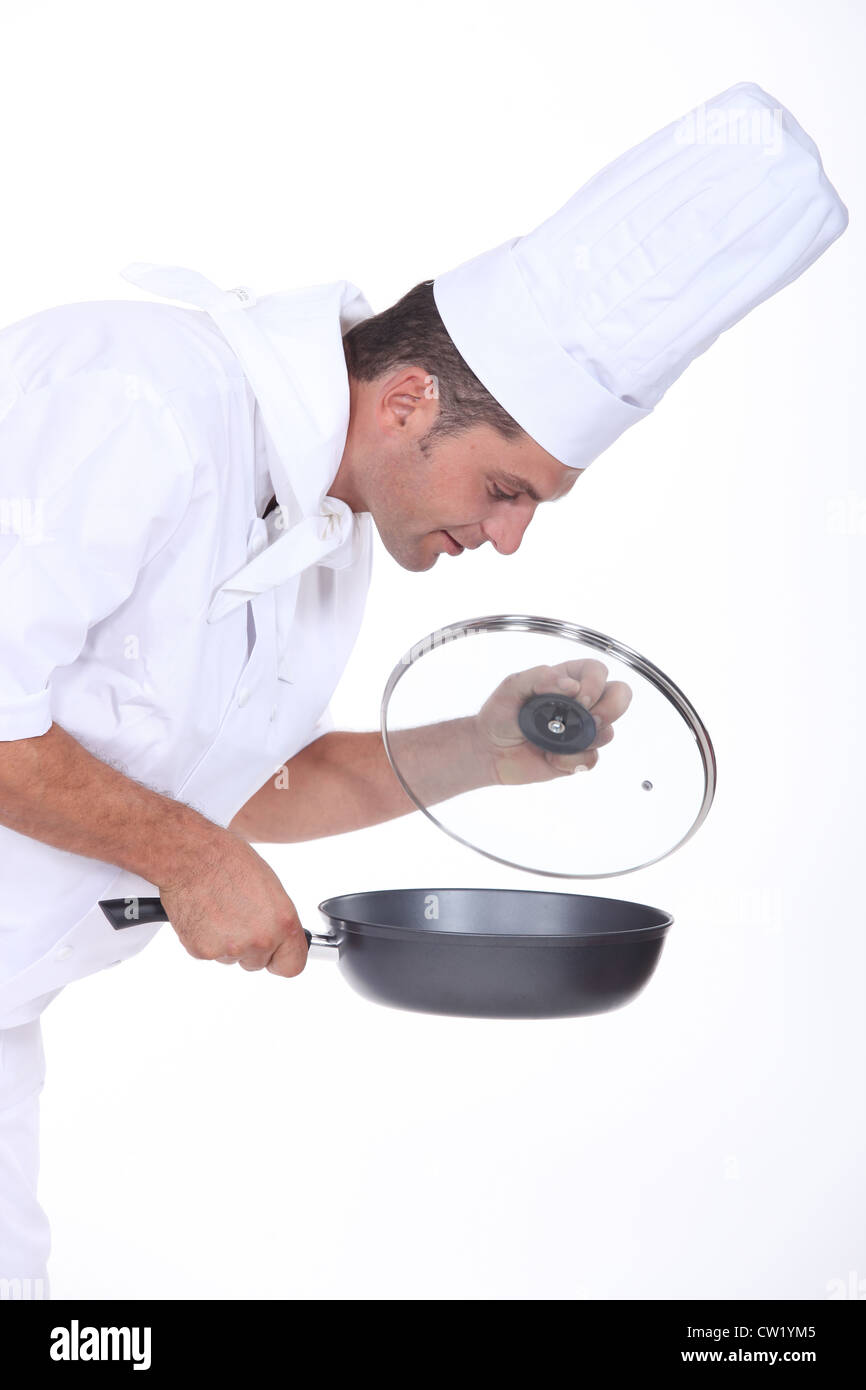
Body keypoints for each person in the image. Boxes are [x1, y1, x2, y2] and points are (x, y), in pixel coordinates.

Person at [0, 80, 847, 1297]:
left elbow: (247, 790)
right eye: (508, 489)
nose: (506, 541)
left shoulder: (329, 534)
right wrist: (186, 861)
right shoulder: (134, 396)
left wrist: (484, 748)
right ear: (408, 404)